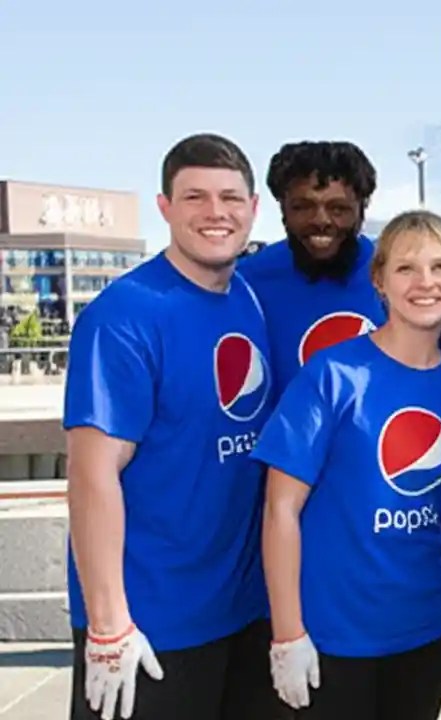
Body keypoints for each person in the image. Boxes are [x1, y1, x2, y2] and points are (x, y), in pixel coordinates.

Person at [63, 133, 288, 720]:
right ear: (164, 207)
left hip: (241, 614)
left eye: (230, 198)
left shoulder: (247, 297)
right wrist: (109, 625)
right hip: (151, 625)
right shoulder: (123, 316)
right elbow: (91, 476)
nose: (216, 213)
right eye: (195, 197)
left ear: (253, 208)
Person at [252, 210, 441, 718]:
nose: (425, 283)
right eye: (406, 268)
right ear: (378, 280)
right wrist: (288, 634)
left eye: (440, 267)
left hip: (423, 636)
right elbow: (280, 510)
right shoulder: (332, 376)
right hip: (332, 641)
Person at [237, 140, 386, 392]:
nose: (320, 220)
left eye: (338, 208)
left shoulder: (400, 274)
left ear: (363, 207)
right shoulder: (245, 283)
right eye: (303, 207)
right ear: (282, 208)